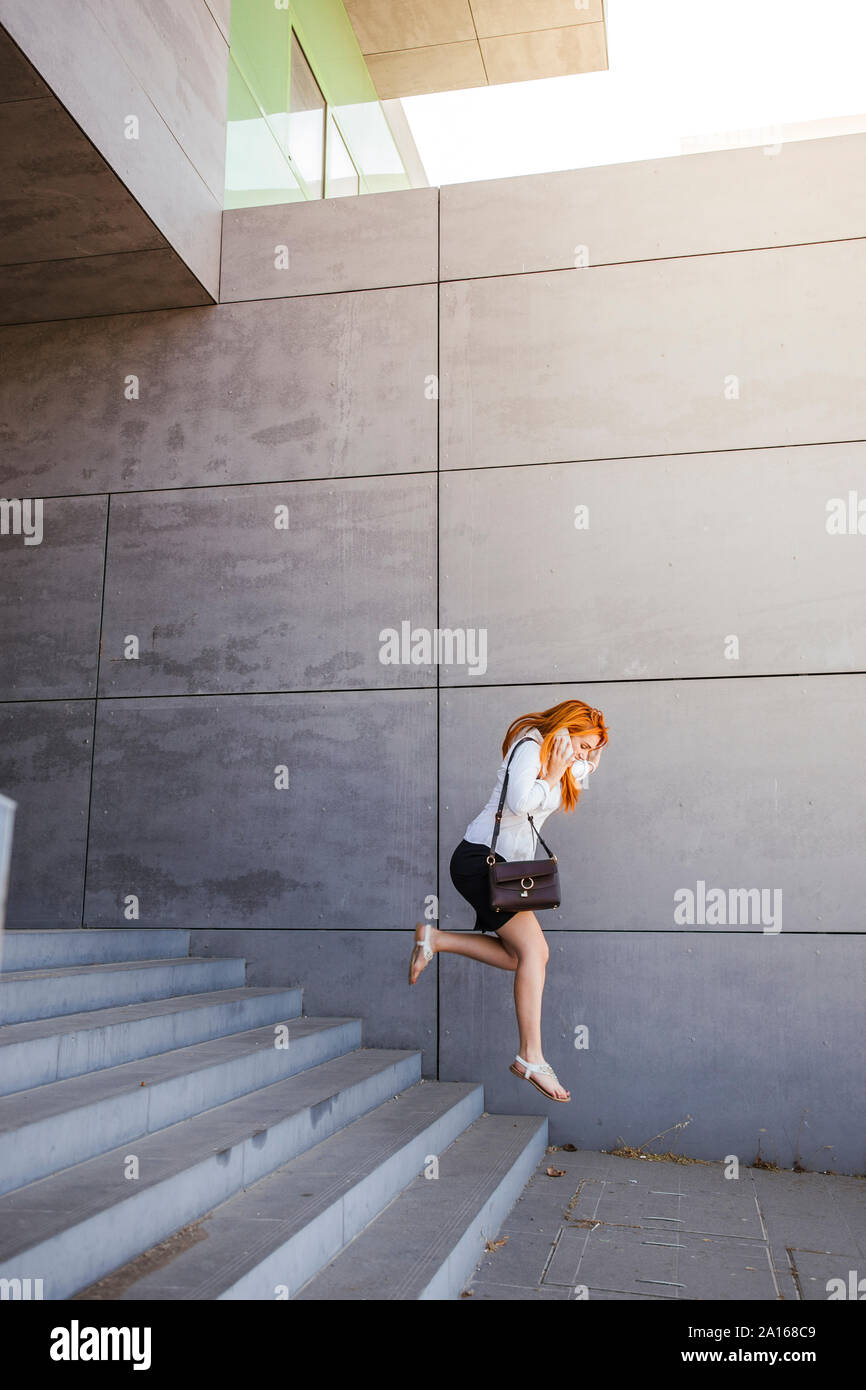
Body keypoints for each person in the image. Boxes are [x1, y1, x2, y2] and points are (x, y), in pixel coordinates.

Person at [408, 699, 609, 1103]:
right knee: (536, 951)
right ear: (565, 730)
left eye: (590, 749)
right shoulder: (532, 748)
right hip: (480, 860)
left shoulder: (560, 756)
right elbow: (520, 802)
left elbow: (576, 773)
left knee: (521, 958)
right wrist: (552, 774)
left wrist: (586, 762)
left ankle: (436, 940)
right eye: (582, 744)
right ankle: (530, 1055)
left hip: (501, 868)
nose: (583, 755)